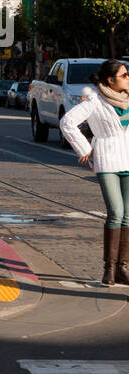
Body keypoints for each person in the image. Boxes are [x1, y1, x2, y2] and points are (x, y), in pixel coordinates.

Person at [60, 58, 129, 285]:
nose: (128, 78)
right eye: (124, 75)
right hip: (108, 160)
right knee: (116, 212)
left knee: (128, 216)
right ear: (111, 80)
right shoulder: (95, 101)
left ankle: (123, 268)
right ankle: (109, 268)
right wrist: (85, 148)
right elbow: (67, 122)